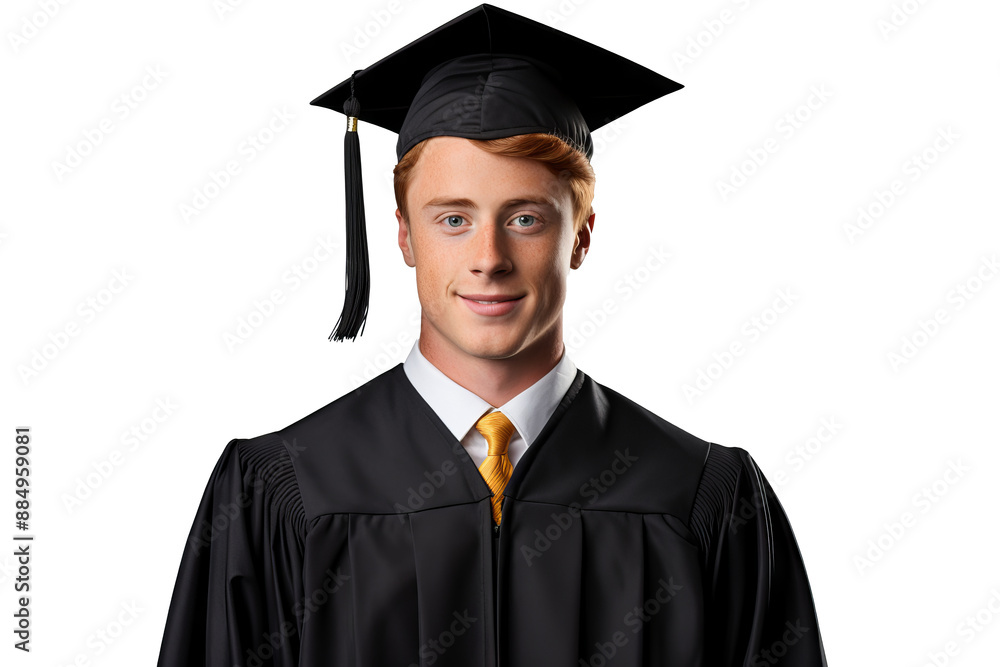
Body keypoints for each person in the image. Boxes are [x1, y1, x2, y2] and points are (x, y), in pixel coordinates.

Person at [156, 4, 827, 666]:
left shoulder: (701, 497)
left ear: (581, 236)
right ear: (403, 236)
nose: (489, 258)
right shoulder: (282, 492)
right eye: (453, 219)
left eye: (525, 218)